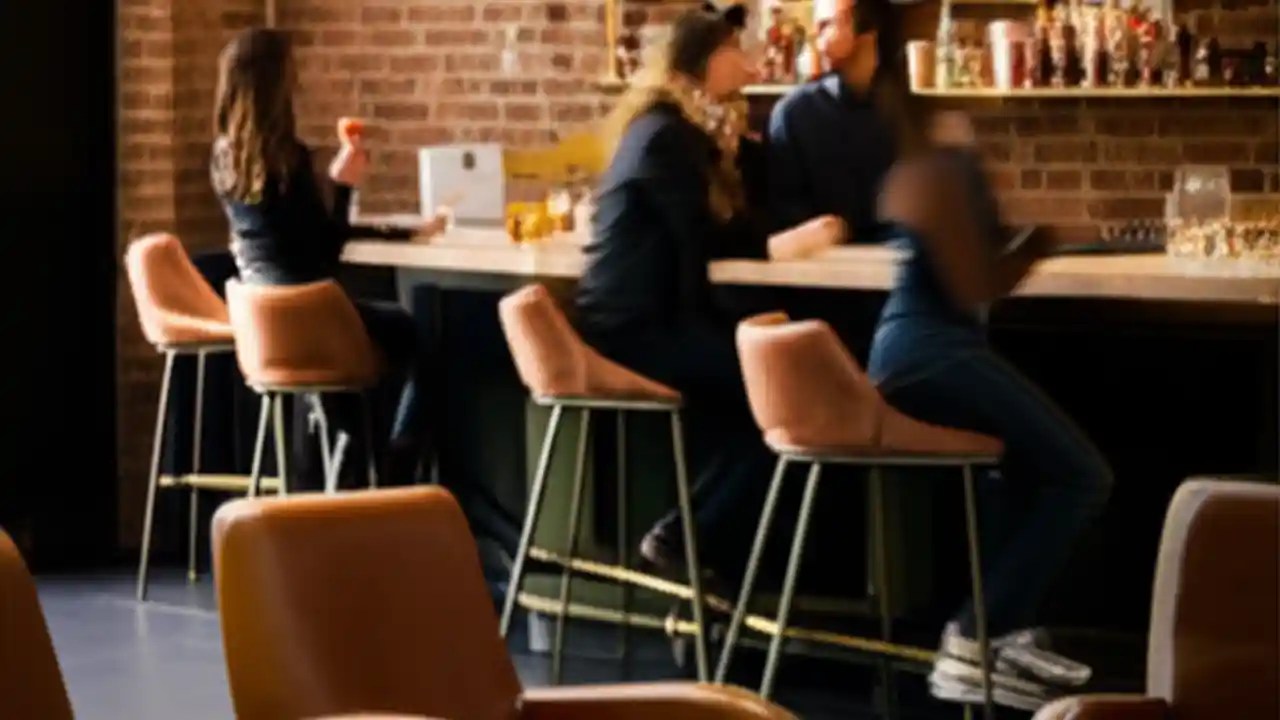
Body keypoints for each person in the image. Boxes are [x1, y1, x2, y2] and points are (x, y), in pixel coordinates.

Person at [863, 42, 1114, 720]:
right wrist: (1034, 242)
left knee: (1024, 471)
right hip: (926, 351)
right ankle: (974, 638)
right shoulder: (938, 172)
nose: (966, 118)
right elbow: (974, 282)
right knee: (1082, 476)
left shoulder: (938, 173)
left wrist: (1032, 243)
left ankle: (1004, 635)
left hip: (925, 347)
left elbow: (979, 282)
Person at [575, 2, 846, 574]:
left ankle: (704, 553)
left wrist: (734, 147)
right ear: (700, 62)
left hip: (650, 317)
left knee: (758, 400)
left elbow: (728, 218)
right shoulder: (665, 137)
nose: (747, 65)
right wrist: (783, 245)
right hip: (637, 328)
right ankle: (682, 541)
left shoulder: (674, 128)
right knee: (782, 399)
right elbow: (705, 238)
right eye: (733, 52)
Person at [210, 28, 446, 489]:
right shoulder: (289, 160)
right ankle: (398, 460)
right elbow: (323, 250)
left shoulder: (223, 159)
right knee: (426, 338)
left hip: (265, 324)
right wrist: (344, 186)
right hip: (316, 315)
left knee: (348, 395)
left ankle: (355, 469)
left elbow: (285, 240)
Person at [765, 0, 903, 239]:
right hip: (821, 266)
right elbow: (783, 215)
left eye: (827, 24)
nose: (816, 35)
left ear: (868, 31)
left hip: (893, 261)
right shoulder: (794, 114)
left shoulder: (900, 112)